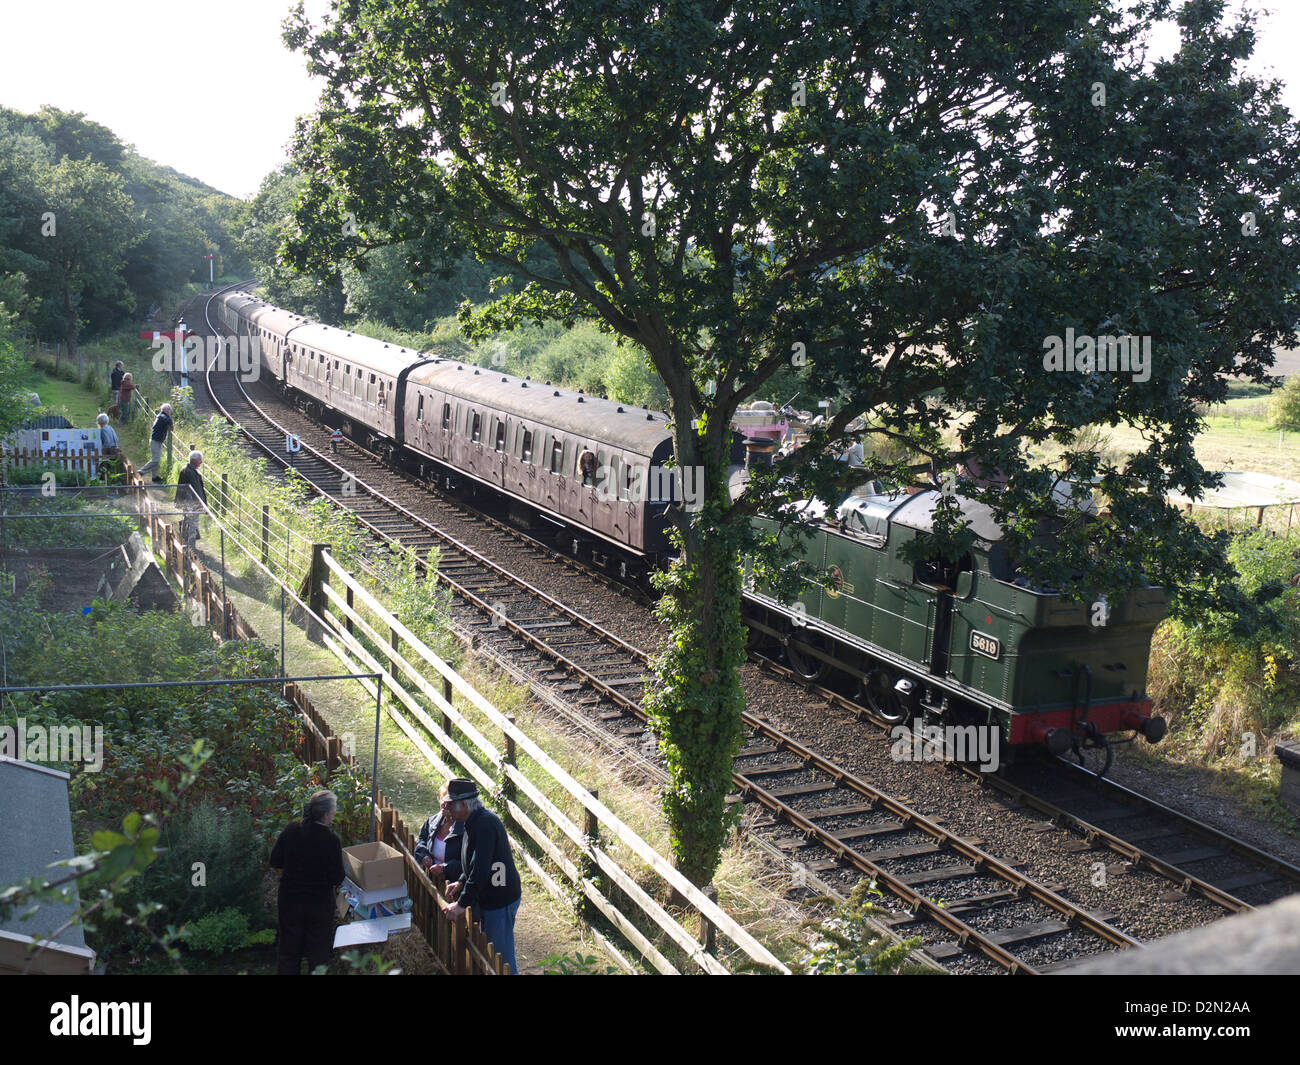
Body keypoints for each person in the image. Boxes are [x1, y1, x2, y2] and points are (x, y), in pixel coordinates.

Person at [444, 778, 522, 974]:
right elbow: (473, 862)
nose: (447, 806)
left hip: (499, 899)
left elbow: (480, 869)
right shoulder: (472, 821)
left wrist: (460, 904)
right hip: (491, 897)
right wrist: (461, 881)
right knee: (493, 955)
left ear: (464, 804)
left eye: (452, 803)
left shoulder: (484, 825)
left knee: (501, 960)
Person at [269, 790, 346, 976]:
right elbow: (337, 877)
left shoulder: (291, 830)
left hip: (290, 900)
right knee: (318, 954)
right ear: (326, 814)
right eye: (334, 810)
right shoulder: (330, 840)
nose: (335, 813)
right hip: (318, 904)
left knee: (288, 951)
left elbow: (275, 861)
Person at [414, 783, 465, 883]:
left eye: (449, 801)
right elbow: (421, 840)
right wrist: (423, 855)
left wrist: (445, 868)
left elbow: (467, 862)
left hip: (453, 885)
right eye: (443, 799)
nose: (444, 804)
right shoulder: (431, 822)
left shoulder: (465, 831)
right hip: (431, 881)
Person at [176, 450, 207, 549]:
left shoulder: (188, 471)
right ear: (193, 460)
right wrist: (200, 504)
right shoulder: (188, 472)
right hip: (192, 504)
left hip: (191, 503)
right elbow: (194, 490)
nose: (201, 462)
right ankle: (191, 547)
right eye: (199, 460)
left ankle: (185, 542)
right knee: (192, 524)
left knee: (189, 522)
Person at [138, 403, 173, 483]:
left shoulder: (161, 416)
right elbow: (168, 420)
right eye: (169, 410)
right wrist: (171, 423)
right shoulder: (162, 416)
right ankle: (141, 472)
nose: (170, 411)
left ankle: (154, 477)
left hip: (157, 441)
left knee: (155, 459)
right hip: (155, 441)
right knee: (155, 460)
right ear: (165, 410)